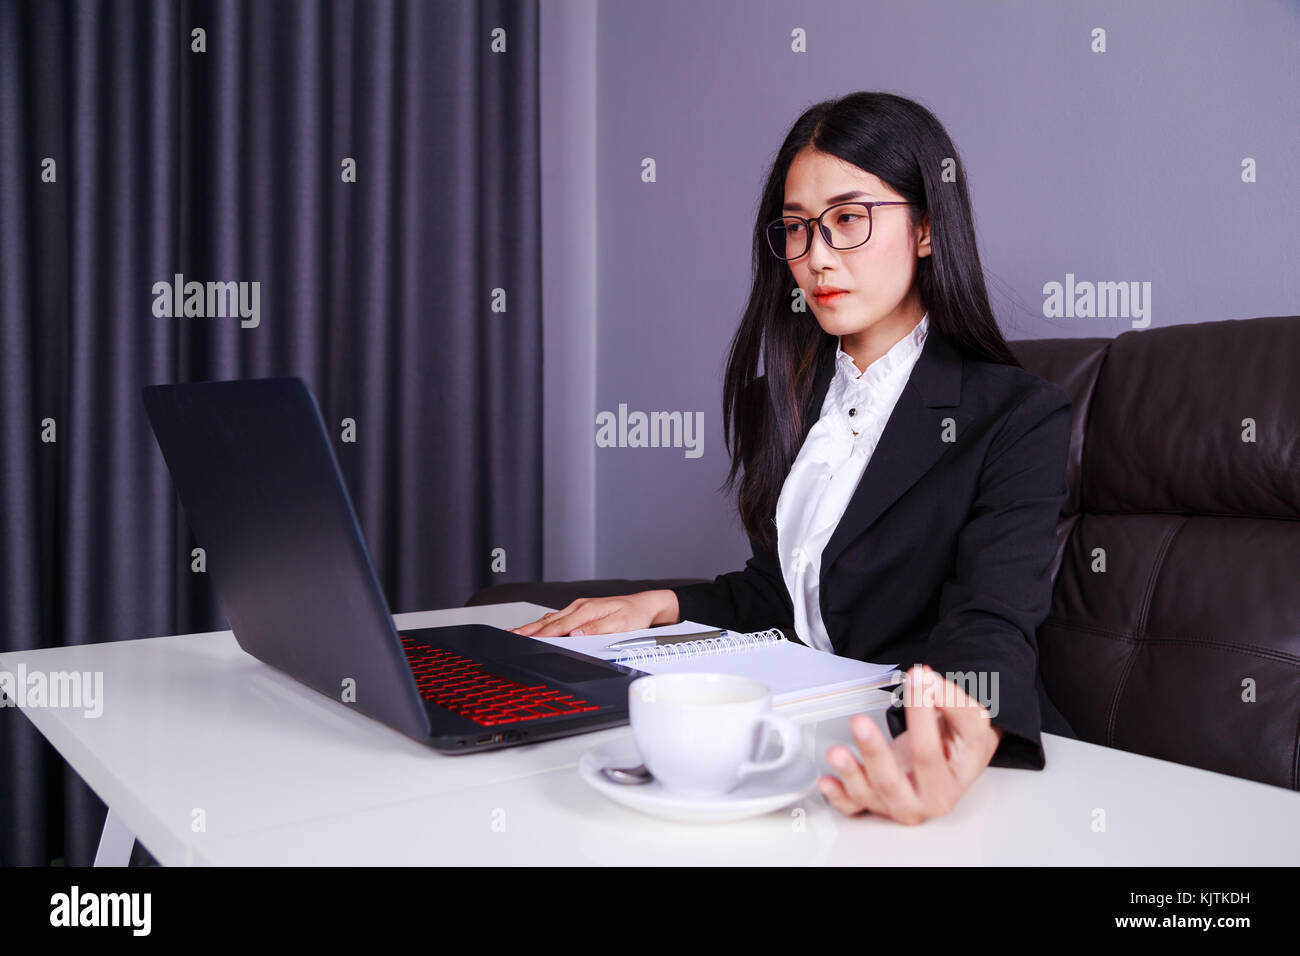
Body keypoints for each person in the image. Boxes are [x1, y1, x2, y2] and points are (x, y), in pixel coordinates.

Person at [511, 91, 1074, 825]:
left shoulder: (1015, 415)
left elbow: (991, 623)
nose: (816, 258)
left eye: (848, 219)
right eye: (798, 230)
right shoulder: (785, 399)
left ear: (927, 227)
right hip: (803, 744)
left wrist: (948, 733)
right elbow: (787, 597)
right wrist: (665, 603)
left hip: (929, 761)